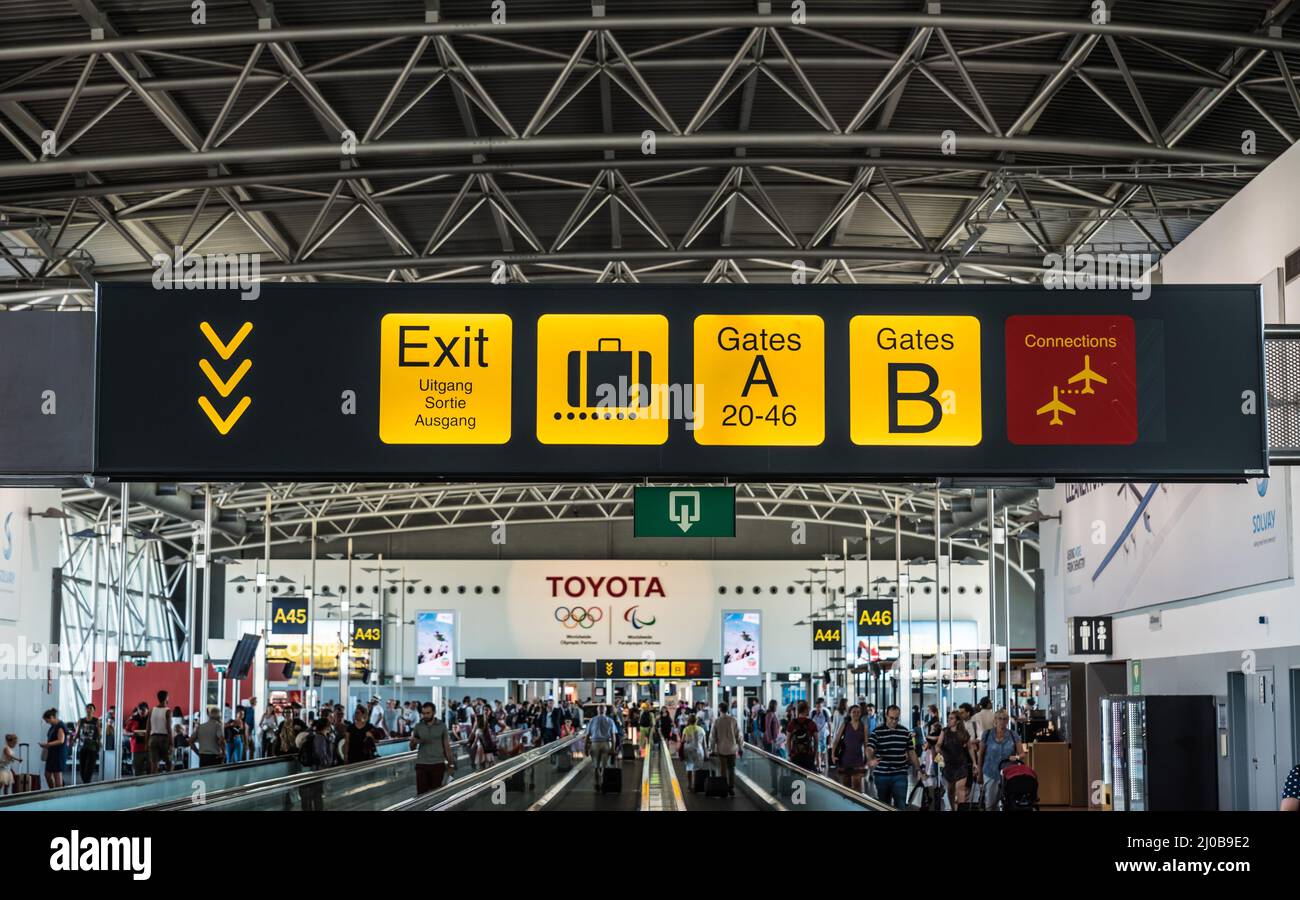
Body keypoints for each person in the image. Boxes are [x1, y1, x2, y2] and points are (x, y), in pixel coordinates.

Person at [865, 704, 920, 810]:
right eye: (891, 718)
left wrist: (918, 769)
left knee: (901, 805)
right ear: (886, 716)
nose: (894, 721)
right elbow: (869, 748)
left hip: (900, 774)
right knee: (883, 805)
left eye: (896, 718)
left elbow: (912, 752)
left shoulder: (905, 732)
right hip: (882, 775)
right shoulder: (877, 732)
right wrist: (871, 759)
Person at [976, 709, 1025, 811]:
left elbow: (1022, 754)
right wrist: (979, 772)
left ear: (1008, 721)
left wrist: (1016, 757)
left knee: (1007, 802)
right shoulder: (987, 734)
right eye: (1000, 718)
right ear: (995, 720)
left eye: (1005, 719)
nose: (1002, 721)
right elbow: (981, 754)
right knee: (990, 803)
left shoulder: (1013, 734)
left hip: (1008, 773)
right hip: (990, 772)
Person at [410, 702, 455, 795]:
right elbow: (412, 748)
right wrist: (413, 742)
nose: (425, 716)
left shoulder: (442, 726)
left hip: (437, 764)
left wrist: (450, 764)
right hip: (421, 764)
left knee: (436, 794)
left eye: (428, 713)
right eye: (423, 713)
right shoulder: (418, 726)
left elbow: (446, 746)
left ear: (434, 712)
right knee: (421, 794)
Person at [938, 709, 974, 810]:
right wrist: (938, 749)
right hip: (949, 764)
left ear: (957, 721)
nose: (949, 720)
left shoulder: (963, 733)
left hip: (961, 764)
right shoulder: (944, 731)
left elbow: (970, 748)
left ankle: (960, 809)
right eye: (949, 718)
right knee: (951, 789)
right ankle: (953, 808)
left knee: (960, 788)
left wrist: (974, 762)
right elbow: (939, 744)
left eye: (951, 719)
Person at [298, 717, 335, 811]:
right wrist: (327, 764)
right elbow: (321, 755)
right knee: (317, 794)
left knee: (315, 794)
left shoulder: (316, 736)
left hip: (315, 770)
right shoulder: (320, 738)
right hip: (317, 771)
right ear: (326, 727)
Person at [829, 704, 868, 792]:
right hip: (845, 759)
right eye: (854, 712)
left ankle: (857, 804)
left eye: (858, 712)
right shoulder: (845, 725)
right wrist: (832, 755)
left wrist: (867, 759)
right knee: (846, 786)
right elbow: (836, 741)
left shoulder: (863, 726)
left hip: (858, 759)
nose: (856, 714)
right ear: (850, 713)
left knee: (857, 786)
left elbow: (866, 744)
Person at [709, 701, 741, 797]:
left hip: (721, 749)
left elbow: (712, 737)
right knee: (731, 769)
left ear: (720, 709)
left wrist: (711, 749)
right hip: (732, 748)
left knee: (723, 770)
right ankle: (731, 788)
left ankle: (724, 788)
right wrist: (741, 747)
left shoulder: (717, 721)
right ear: (727, 709)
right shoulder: (733, 720)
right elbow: (738, 735)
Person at [585, 704, 617, 791]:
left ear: (598, 710)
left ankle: (597, 783)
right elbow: (613, 736)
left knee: (596, 766)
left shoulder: (592, 720)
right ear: (605, 711)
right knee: (605, 765)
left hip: (595, 744)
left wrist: (586, 748)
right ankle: (603, 782)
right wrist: (613, 748)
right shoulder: (610, 720)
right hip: (606, 743)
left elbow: (587, 735)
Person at [786, 701, 819, 772]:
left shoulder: (792, 723)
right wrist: (814, 755)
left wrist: (790, 754)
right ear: (806, 710)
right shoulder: (811, 723)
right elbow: (816, 741)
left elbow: (788, 740)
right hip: (808, 755)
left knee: (796, 777)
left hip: (795, 755)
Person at [74, 702, 101, 785]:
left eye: (91, 709)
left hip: (92, 746)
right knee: (82, 766)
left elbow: (99, 734)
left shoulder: (96, 721)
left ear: (94, 711)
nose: (89, 710)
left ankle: (87, 782)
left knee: (89, 765)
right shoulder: (81, 721)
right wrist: (74, 740)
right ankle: (85, 781)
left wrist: (99, 742)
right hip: (82, 746)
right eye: (88, 708)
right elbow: (78, 732)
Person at [40, 708, 67, 789]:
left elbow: (61, 740)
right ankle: (52, 791)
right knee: (47, 774)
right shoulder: (53, 726)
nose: (46, 722)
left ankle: (58, 794)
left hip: (58, 753)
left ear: (52, 717)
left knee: (57, 775)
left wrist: (48, 744)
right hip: (52, 753)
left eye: (47, 720)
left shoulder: (60, 726)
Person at [148, 690, 173, 774]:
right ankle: (168, 781)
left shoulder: (152, 710)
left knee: (154, 764)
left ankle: (153, 782)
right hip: (164, 738)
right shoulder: (168, 711)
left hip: (153, 738)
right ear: (166, 698)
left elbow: (148, 727)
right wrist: (172, 743)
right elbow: (168, 728)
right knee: (169, 762)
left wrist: (146, 742)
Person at [128, 701, 150, 776]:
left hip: (149, 747)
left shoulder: (151, 719)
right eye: (140, 710)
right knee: (137, 769)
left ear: (147, 710)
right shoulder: (133, 719)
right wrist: (132, 734)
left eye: (143, 710)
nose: (142, 711)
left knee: (150, 770)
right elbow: (126, 731)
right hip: (137, 748)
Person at [811, 698, 830, 771]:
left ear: (822, 706)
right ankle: (819, 767)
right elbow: (810, 723)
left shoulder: (825, 713)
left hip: (823, 736)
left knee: (822, 751)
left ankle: (820, 762)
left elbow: (829, 724)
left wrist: (830, 735)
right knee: (817, 751)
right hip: (815, 736)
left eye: (820, 707)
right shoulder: (813, 713)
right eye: (817, 707)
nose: (818, 708)